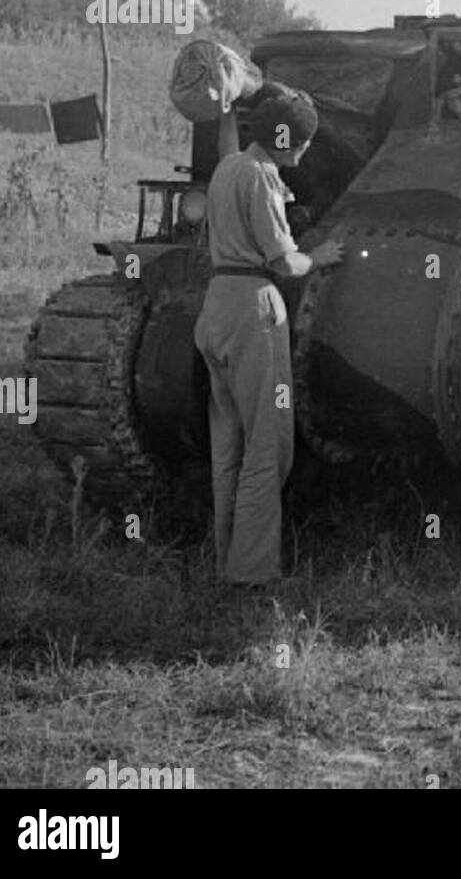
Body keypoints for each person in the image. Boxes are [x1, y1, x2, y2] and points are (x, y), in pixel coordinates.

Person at [193, 89, 343, 589]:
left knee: (227, 444)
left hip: (215, 305)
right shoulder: (261, 178)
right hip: (254, 307)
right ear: (283, 139)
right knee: (268, 444)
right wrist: (318, 257)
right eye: (300, 143)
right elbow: (283, 261)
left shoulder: (227, 168)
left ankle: (224, 559)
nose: (303, 153)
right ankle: (252, 573)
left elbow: (229, 146)